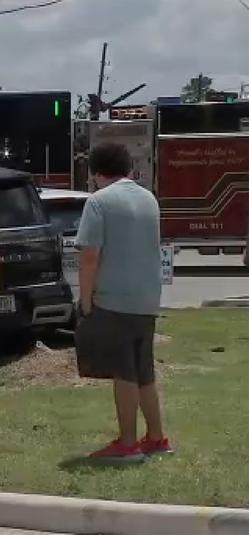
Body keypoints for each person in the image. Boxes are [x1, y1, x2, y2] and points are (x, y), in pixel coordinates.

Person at [75, 143, 171, 460]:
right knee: (145, 372)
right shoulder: (148, 199)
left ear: (95, 173)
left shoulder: (99, 202)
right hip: (148, 299)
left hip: (115, 300)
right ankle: (156, 437)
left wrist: (85, 300)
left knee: (124, 373)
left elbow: (89, 257)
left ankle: (127, 444)